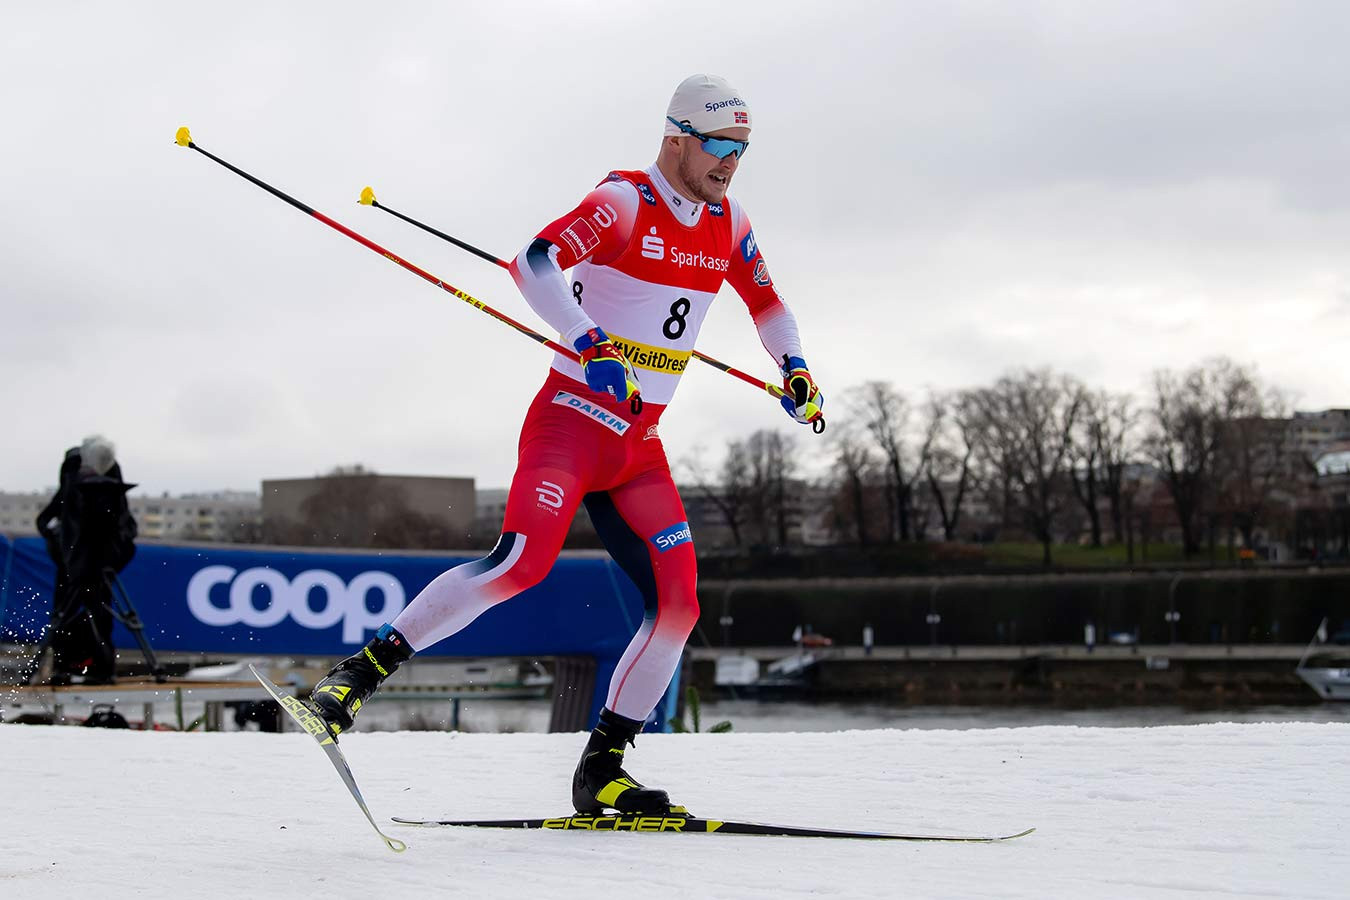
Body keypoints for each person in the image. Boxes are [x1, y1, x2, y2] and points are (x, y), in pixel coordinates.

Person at [307, 74, 825, 815]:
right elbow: (533, 262)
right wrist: (589, 341)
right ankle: (352, 680)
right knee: (521, 563)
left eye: (742, 148)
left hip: (638, 448)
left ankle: (602, 769)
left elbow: (768, 304)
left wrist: (795, 368)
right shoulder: (624, 203)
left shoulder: (729, 221)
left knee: (678, 605)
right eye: (718, 144)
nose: (730, 161)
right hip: (571, 423)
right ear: (676, 138)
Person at [33, 435, 138, 684]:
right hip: (75, 556)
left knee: (99, 611)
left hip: (98, 556)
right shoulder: (73, 468)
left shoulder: (110, 476)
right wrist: (59, 541)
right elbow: (62, 509)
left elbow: (120, 517)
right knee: (67, 609)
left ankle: (99, 666)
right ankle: (64, 665)